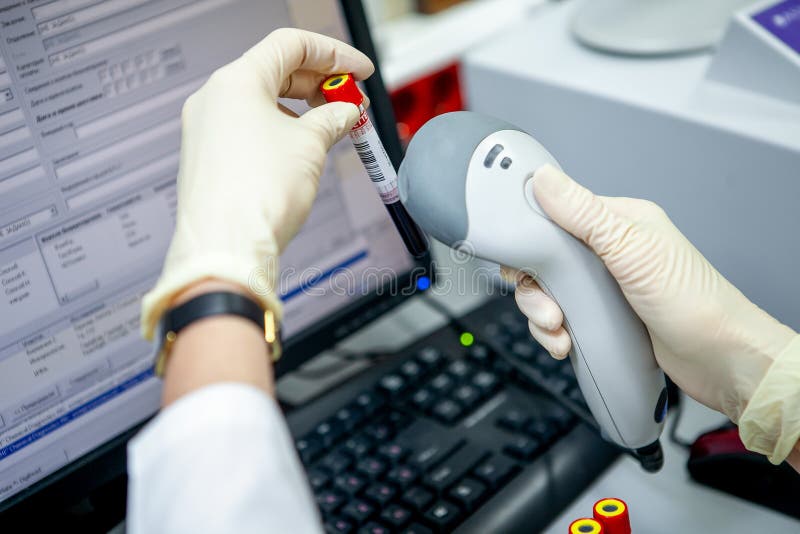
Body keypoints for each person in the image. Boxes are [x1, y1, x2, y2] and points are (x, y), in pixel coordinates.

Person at [125, 28, 800, 534]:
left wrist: (218, 255)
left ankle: (640, 438)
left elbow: (216, 496)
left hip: (641, 409)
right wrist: (757, 367)